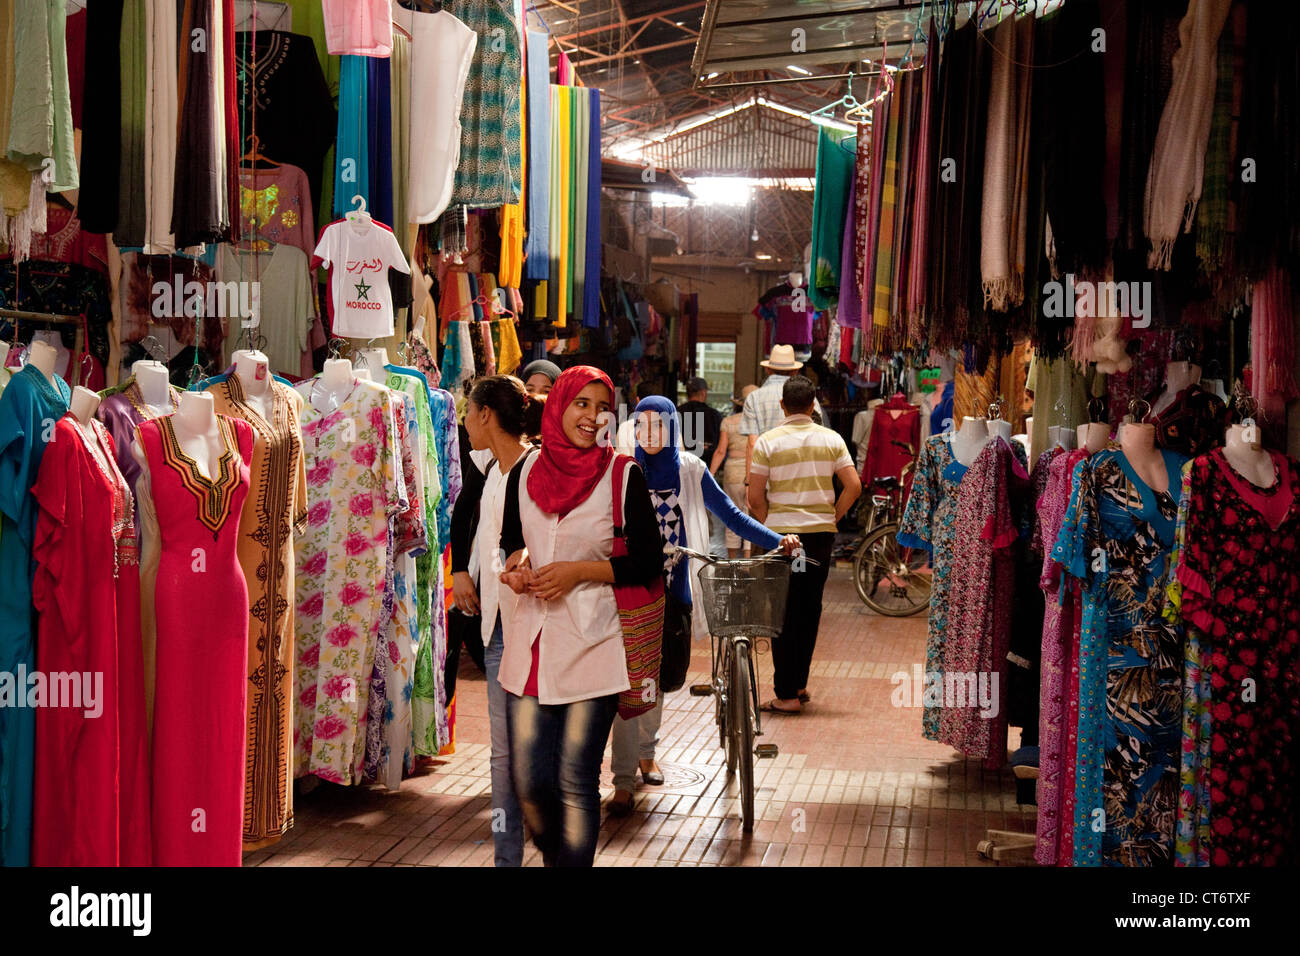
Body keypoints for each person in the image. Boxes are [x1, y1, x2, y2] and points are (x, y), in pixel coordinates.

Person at [496, 366, 661, 866]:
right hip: (530, 647)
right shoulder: (524, 471)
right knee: (529, 782)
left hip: (596, 646)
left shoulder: (622, 474)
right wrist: (517, 567)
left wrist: (579, 573)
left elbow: (649, 561)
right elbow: (512, 541)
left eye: (601, 407)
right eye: (581, 404)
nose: (592, 417)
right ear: (558, 405)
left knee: (574, 780)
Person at [609, 397, 800, 815]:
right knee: (628, 682)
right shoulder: (623, 469)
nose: (650, 432)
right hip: (632, 591)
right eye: (642, 425)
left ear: (674, 427)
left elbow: (730, 514)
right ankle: (622, 780)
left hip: (675, 592)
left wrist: (776, 539)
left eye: (659, 424)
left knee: (659, 680)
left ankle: (646, 754)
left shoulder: (690, 470)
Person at [454, 375, 544, 866]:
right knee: (503, 756)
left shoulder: (533, 470)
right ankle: (506, 859)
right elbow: (485, 536)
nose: (466, 423)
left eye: (469, 413)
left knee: (534, 755)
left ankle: (547, 849)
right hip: (497, 630)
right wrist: (465, 574)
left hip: (534, 633)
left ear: (486, 415)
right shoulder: (492, 473)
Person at [748, 375, 860, 715]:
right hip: (818, 539)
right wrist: (833, 518)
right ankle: (798, 684)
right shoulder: (831, 439)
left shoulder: (767, 442)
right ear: (813, 406)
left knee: (783, 610)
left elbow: (754, 498)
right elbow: (853, 485)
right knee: (808, 609)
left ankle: (786, 693)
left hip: (784, 541)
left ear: (782, 405)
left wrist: (773, 526)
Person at [740, 345, 825, 488]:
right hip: (801, 480)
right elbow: (816, 438)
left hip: (765, 480)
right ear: (795, 370)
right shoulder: (810, 398)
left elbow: (752, 444)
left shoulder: (754, 398)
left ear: (767, 369)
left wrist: (749, 483)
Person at [677, 376, 726, 557]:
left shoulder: (676, 413)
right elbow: (720, 447)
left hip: (680, 471)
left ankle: (685, 549)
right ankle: (702, 550)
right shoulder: (714, 415)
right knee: (703, 515)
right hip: (704, 471)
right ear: (704, 393)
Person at [711, 384, 758, 557]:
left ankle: (732, 562)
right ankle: (747, 562)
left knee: (732, 517)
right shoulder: (760, 422)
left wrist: (710, 474)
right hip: (754, 472)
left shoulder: (728, 422)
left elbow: (720, 451)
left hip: (732, 473)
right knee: (750, 518)